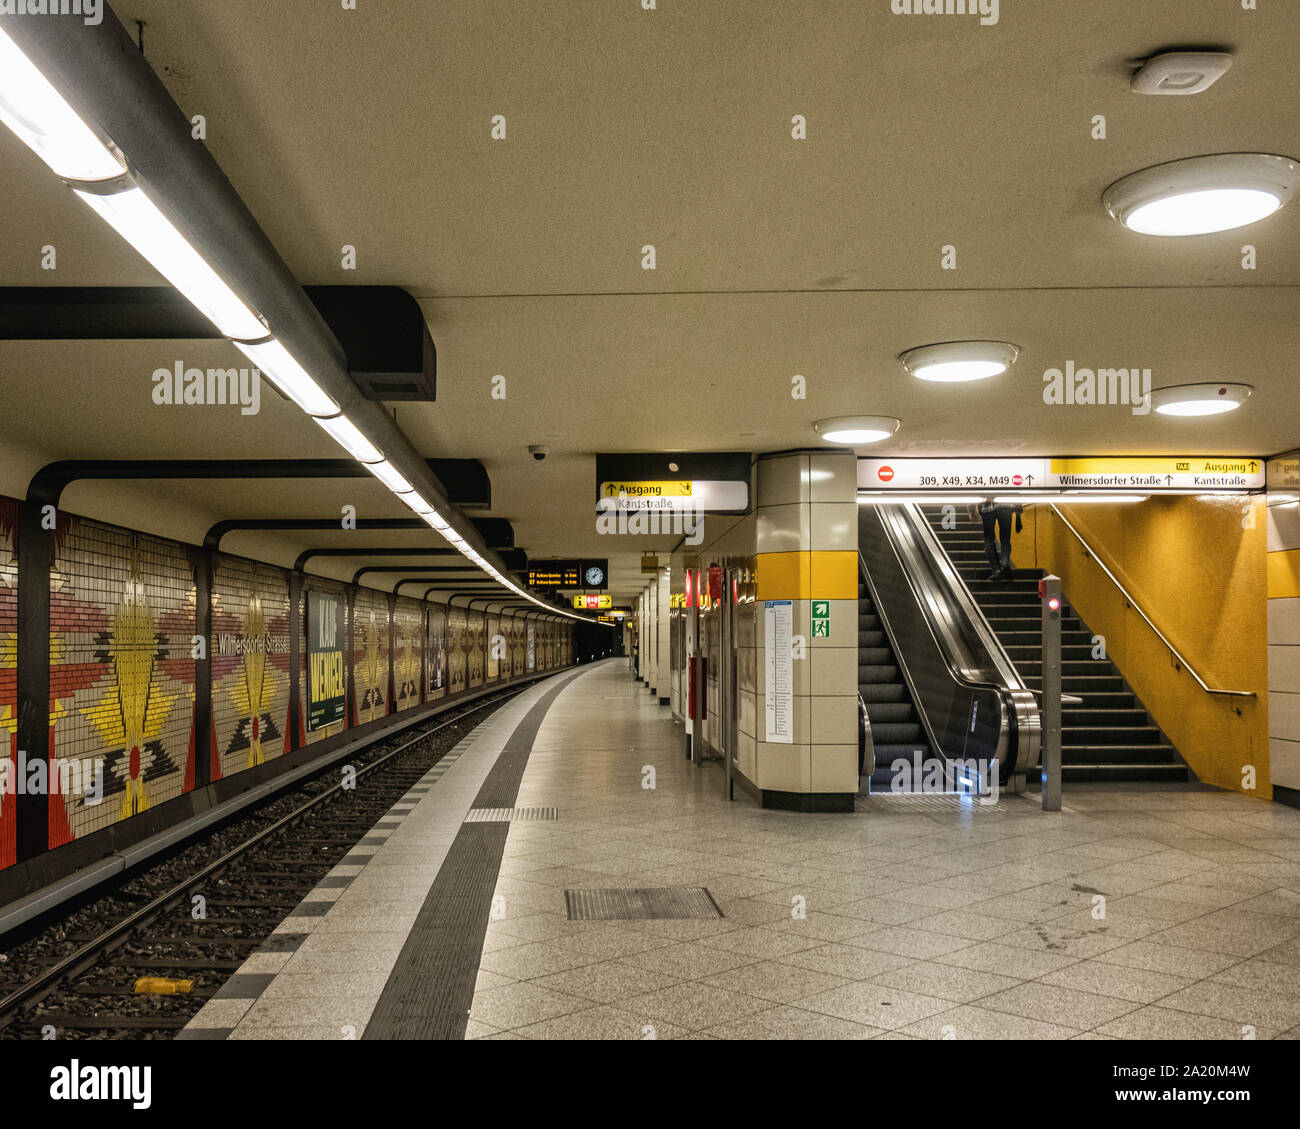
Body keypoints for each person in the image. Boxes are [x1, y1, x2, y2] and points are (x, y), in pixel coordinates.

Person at [972, 496, 1023, 581]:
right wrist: (1018, 511)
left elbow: (977, 485)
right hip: (1005, 505)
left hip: (987, 506)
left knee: (989, 539)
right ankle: (1005, 567)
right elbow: (1013, 487)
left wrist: (972, 509)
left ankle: (996, 570)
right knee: (1005, 538)